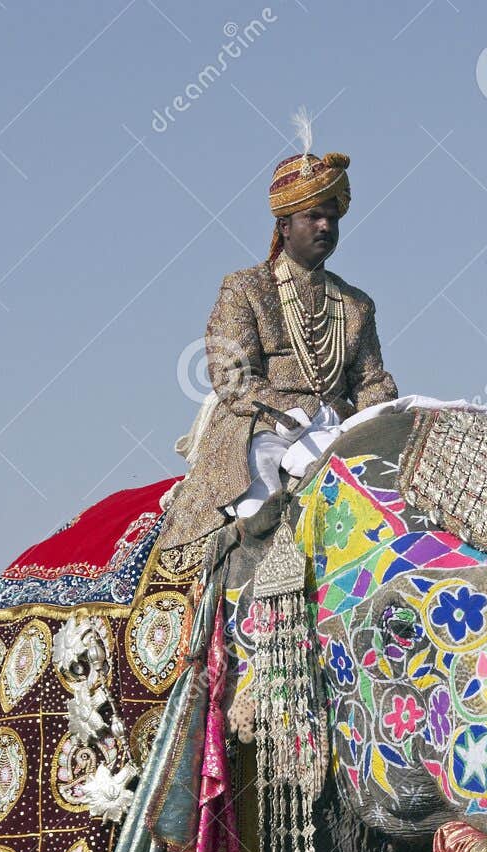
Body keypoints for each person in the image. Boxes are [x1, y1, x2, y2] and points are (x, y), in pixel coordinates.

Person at [162, 118, 397, 549]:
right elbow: (233, 377)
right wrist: (292, 411)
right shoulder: (245, 288)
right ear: (284, 226)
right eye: (313, 217)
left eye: (332, 217)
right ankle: (253, 542)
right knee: (261, 478)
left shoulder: (356, 304)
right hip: (264, 425)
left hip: (337, 427)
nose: (326, 226)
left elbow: (370, 383)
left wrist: (377, 422)